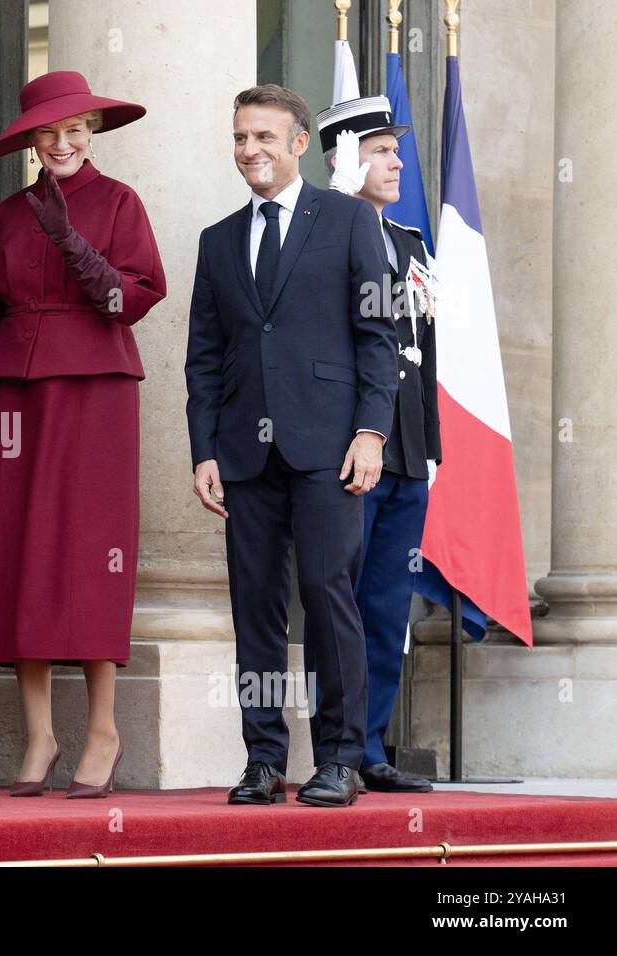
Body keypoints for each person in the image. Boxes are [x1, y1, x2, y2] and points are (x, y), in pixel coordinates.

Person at [184, 84, 396, 808]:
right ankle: (264, 760)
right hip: (245, 456)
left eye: (265, 138)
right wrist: (203, 450)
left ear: (300, 143)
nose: (251, 150)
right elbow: (203, 359)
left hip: (329, 449)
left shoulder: (345, 221)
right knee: (254, 611)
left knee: (327, 595)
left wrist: (371, 433)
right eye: (242, 137)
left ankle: (339, 758)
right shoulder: (217, 241)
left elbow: (379, 338)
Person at [0, 71, 166, 798]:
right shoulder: (8, 213)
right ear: (30, 140)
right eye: (47, 132)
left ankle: (104, 731)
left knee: (90, 555)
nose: (62, 143)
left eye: (75, 129)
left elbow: (132, 298)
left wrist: (72, 242)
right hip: (16, 391)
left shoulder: (120, 203)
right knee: (19, 550)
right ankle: (40, 735)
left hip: (95, 391)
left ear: (94, 131)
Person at [309, 96, 439, 793]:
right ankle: (335, 747)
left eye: (396, 149)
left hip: (407, 452)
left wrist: (432, 450)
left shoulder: (410, 242)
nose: (397, 162)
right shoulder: (323, 233)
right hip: (350, 449)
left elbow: (422, 355)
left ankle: (371, 745)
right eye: (383, 150)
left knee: (388, 607)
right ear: (344, 159)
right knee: (340, 606)